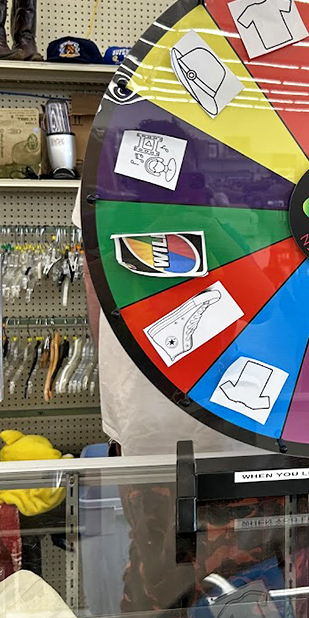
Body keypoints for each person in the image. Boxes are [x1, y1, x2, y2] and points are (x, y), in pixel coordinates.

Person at [72, 193, 260, 457]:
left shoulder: (109, 196)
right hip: (223, 399)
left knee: (147, 476)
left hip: (140, 394)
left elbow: (93, 280)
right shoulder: (223, 227)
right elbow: (262, 304)